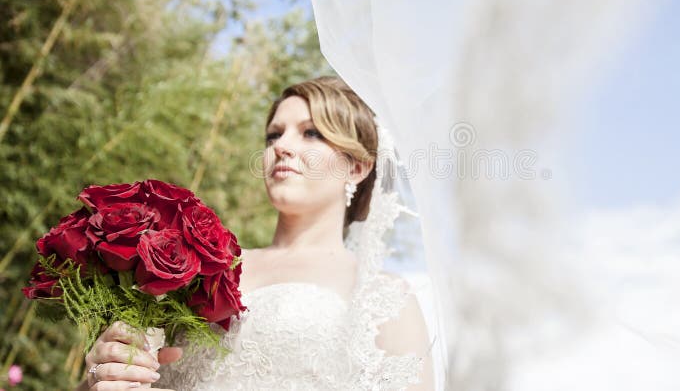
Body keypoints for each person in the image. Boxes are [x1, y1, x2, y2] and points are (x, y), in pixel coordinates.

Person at [76, 76, 436, 390]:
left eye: (311, 132)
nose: (281, 146)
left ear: (357, 167)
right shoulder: (196, 265)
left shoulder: (384, 296)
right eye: (274, 134)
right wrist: (104, 372)